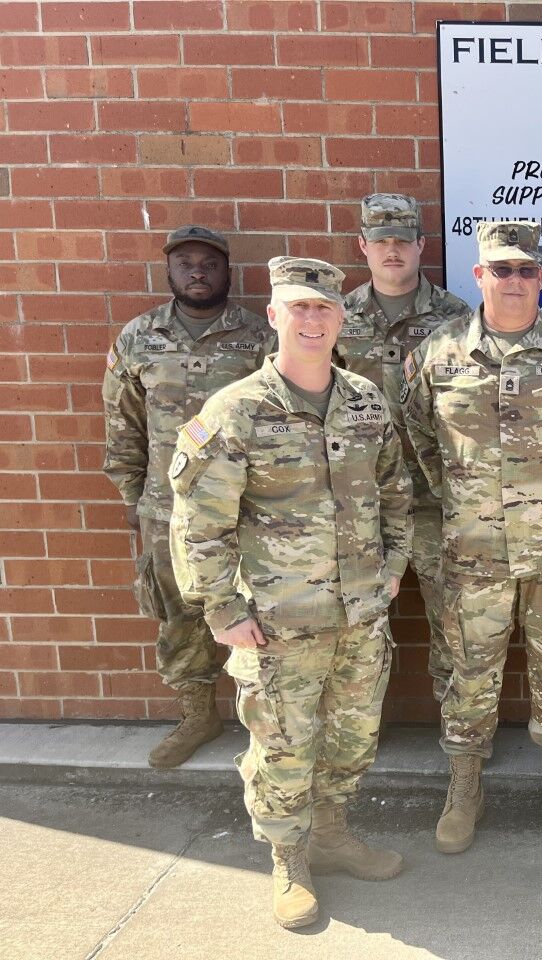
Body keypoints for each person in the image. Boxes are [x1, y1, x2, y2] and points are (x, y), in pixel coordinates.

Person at [169, 256, 412, 928]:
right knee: (282, 746)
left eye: (324, 308)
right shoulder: (237, 411)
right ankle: (288, 858)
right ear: (275, 316)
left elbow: (396, 491)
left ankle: (332, 835)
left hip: (360, 615)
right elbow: (199, 522)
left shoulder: (365, 400)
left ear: (341, 319)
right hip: (277, 623)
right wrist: (222, 609)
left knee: (354, 736)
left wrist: (394, 567)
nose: (312, 320)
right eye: (299, 308)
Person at [402, 221, 542, 854]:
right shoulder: (440, 354)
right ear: (480, 276)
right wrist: (466, 498)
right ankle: (465, 788)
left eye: (527, 270)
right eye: (502, 270)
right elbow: (419, 437)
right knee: (471, 671)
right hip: (473, 550)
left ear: (541, 277)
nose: (515, 281)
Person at [101, 224, 273, 768]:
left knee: (260, 611)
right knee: (178, 616)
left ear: (228, 270)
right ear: (169, 269)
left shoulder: (258, 336)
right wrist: (134, 496)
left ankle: (268, 724)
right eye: (185, 263)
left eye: (209, 262)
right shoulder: (138, 338)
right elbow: (122, 425)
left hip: (248, 509)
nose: (197, 271)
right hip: (166, 510)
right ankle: (197, 715)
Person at [339, 194, 472, 703]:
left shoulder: (454, 315)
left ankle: (456, 727)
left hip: (437, 498)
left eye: (402, 240)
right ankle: (363, 725)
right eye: (380, 240)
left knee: (452, 620)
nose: (391, 250)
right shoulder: (336, 315)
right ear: (363, 247)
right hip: (360, 498)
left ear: (421, 245)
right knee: (360, 621)